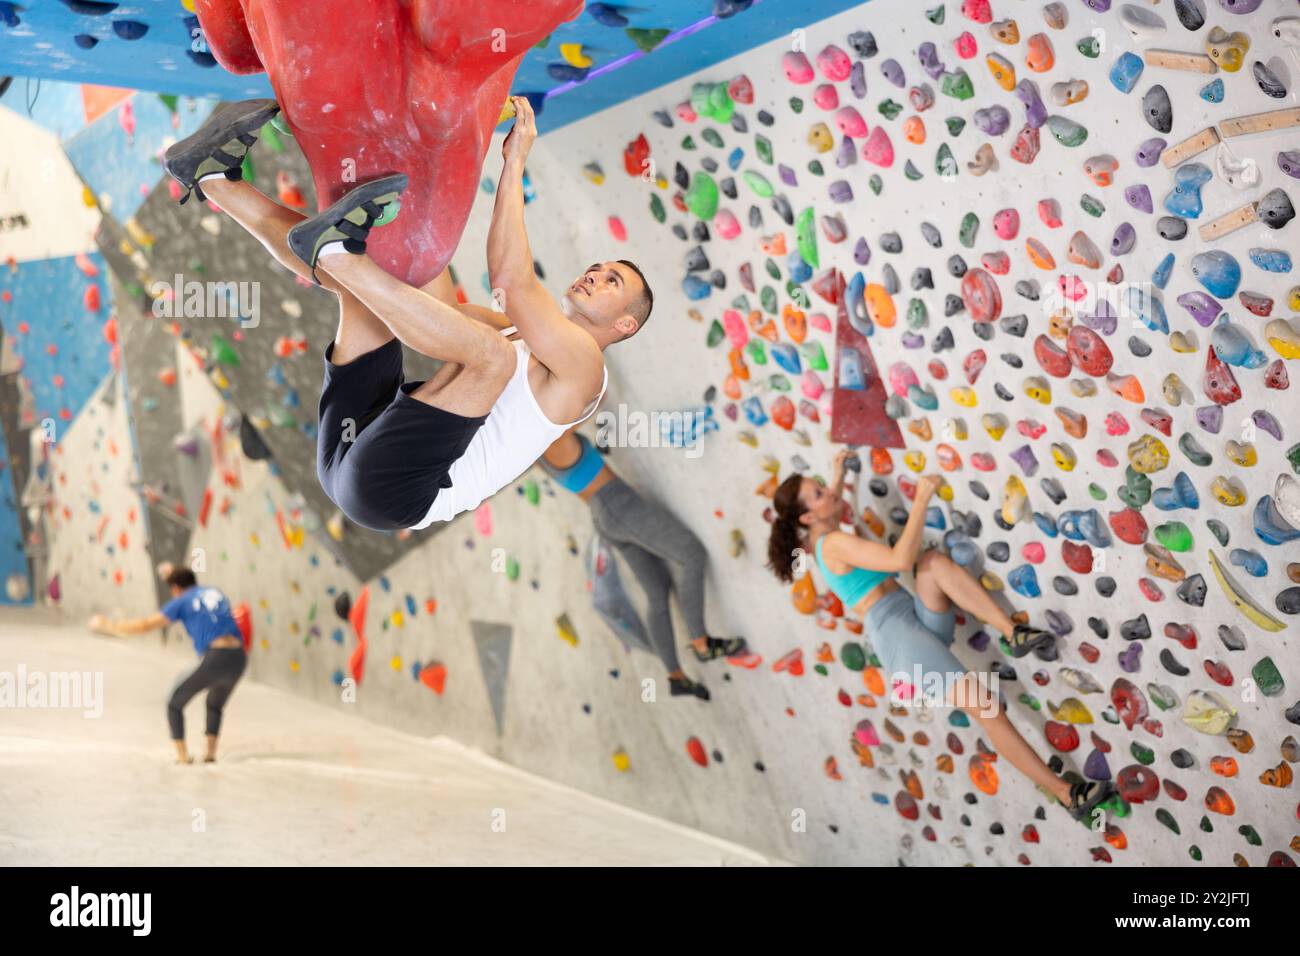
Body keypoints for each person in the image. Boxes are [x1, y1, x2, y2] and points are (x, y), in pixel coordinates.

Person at [163, 96, 650, 533]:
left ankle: (336, 252)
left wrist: (515, 161)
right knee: (373, 293)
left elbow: (512, 282)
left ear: (624, 325)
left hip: (398, 491)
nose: (594, 275)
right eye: (598, 267)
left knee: (492, 358)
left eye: (612, 282)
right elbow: (432, 305)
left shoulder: (587, 370)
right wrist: (441, 158)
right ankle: (212, 176)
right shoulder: (515, 331)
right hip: (356, 454)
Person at [765, 450, 1116, 822]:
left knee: (932, 565)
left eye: (822, 486)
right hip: (900, 640)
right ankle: (1068, 795)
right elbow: (900, 560)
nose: (828, 492)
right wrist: (921, 499)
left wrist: (836, 475)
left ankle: (1012, 631)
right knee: (988, 711)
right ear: (807, 517)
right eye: (819, 494)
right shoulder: (831, 544)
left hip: (912, 617)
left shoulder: (824, 529)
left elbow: (829, 505)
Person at [540, 427, 746, 701]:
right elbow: (587, 403)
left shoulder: (534, 450)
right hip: (618, 506)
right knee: (691, 553)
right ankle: (701, 642)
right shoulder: (548, 437)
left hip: (605, 513)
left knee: (657, 591)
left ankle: (676, 677)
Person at [88, 565, 246, 764]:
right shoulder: (215, 592)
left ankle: (182, 756)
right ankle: (210, 753)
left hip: (216, 656)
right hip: (239, 658)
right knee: (215, 704)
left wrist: (110, 626)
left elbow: (146, 625)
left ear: (176, 589)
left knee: (174, 702)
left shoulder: (181, 601)